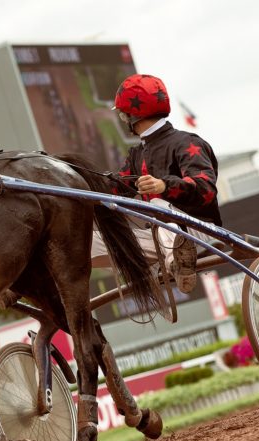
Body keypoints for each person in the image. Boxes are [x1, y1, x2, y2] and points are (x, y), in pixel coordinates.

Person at [92, 74, 222, 294]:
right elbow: (113, 188)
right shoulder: (137, 154)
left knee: (158, 205)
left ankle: (178, 262)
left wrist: (163, 186)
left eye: (123, 115)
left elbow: (206, 188)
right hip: (160, 240)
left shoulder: (187, 142)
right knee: (83, 240)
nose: (123, 119)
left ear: (133, 116)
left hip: (200, 233)